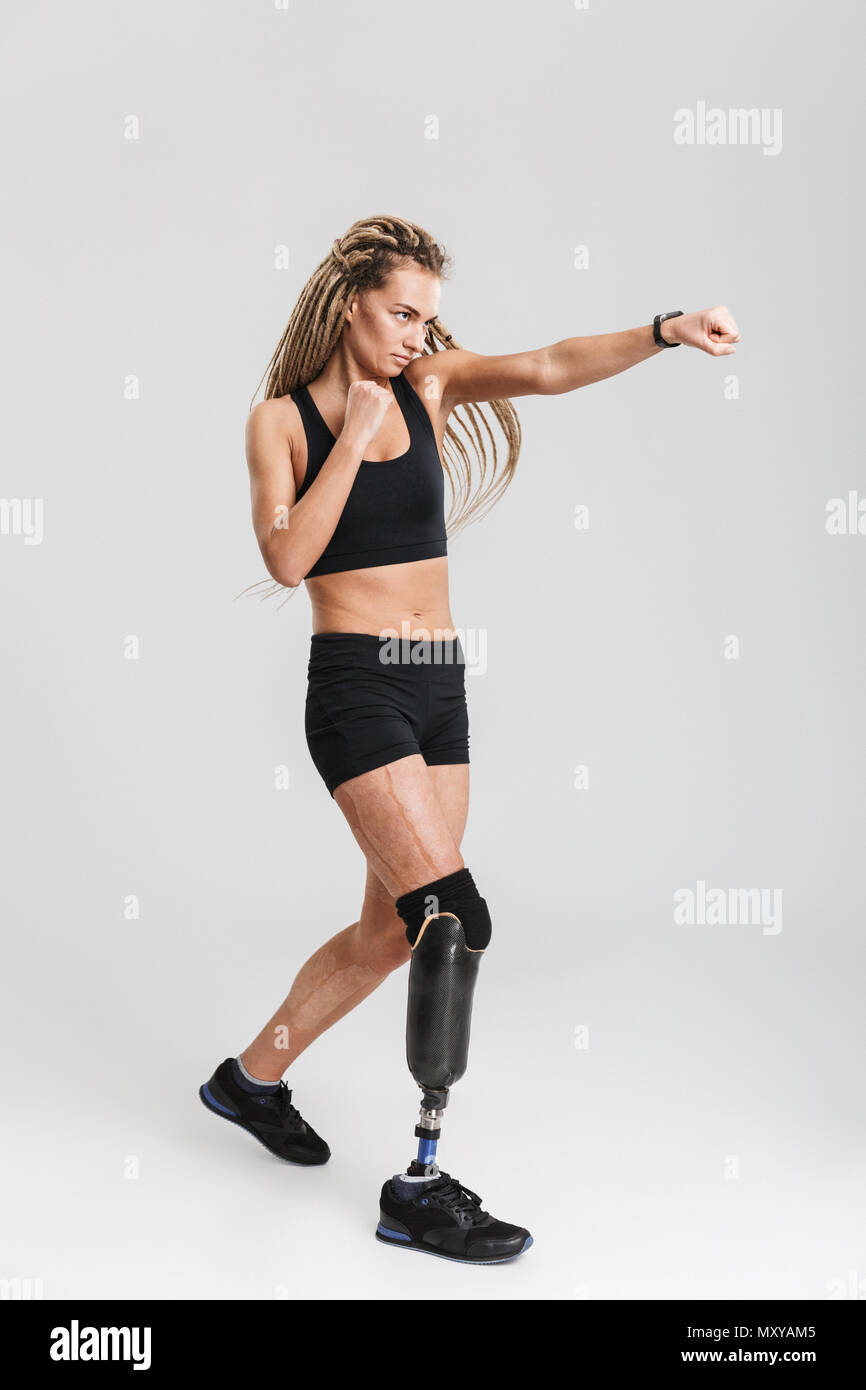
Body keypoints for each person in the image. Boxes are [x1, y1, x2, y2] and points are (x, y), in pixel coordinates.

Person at [199, 213, 740, 1264]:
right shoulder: (280, 423)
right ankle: (420, 1182)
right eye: (401, 313)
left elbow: (542, 366)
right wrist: (351, 438)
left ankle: (246, 1081)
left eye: (428, 319)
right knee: (452, 915)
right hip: (357, 689)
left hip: (437, 687)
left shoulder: (430, 383)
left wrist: (666, 329)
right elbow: (285, 560)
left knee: (396, 930)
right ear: (346, 298)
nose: (415, 336)